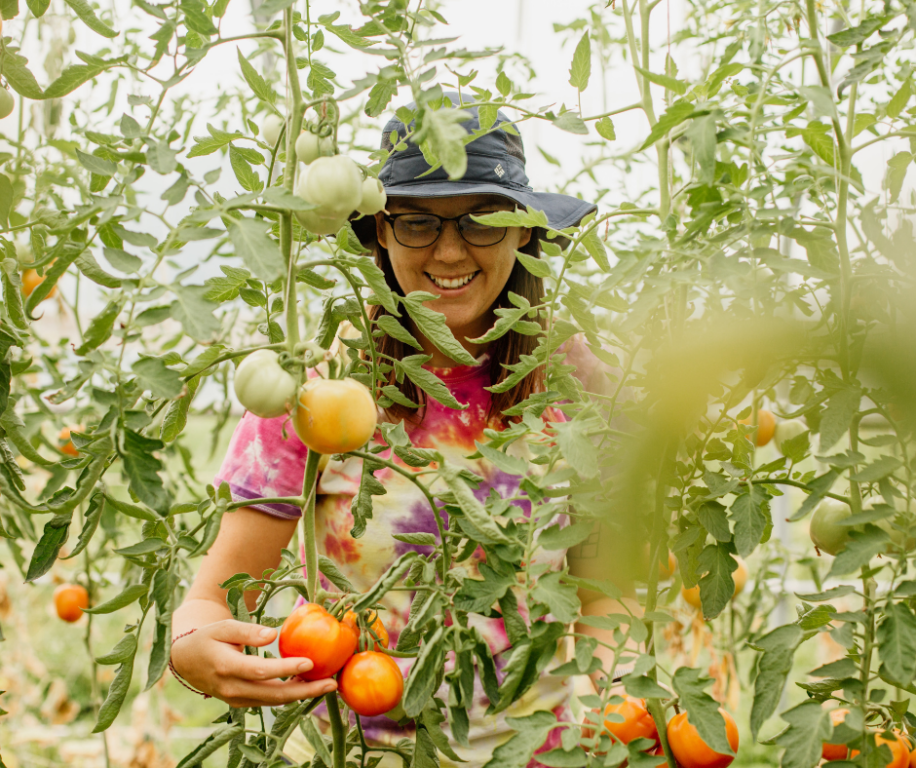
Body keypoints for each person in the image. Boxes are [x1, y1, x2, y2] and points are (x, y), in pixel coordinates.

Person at [169, 98, 638, 767]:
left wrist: (623, 709)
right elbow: (211, 599)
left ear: (524, 233)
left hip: (539, 754)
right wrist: (192, 650)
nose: (450, 251)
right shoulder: (320, 382)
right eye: (418, 222)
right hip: (352, 754)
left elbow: (603, 598)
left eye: (482, 221)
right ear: (379, 233)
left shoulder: (574, 380)